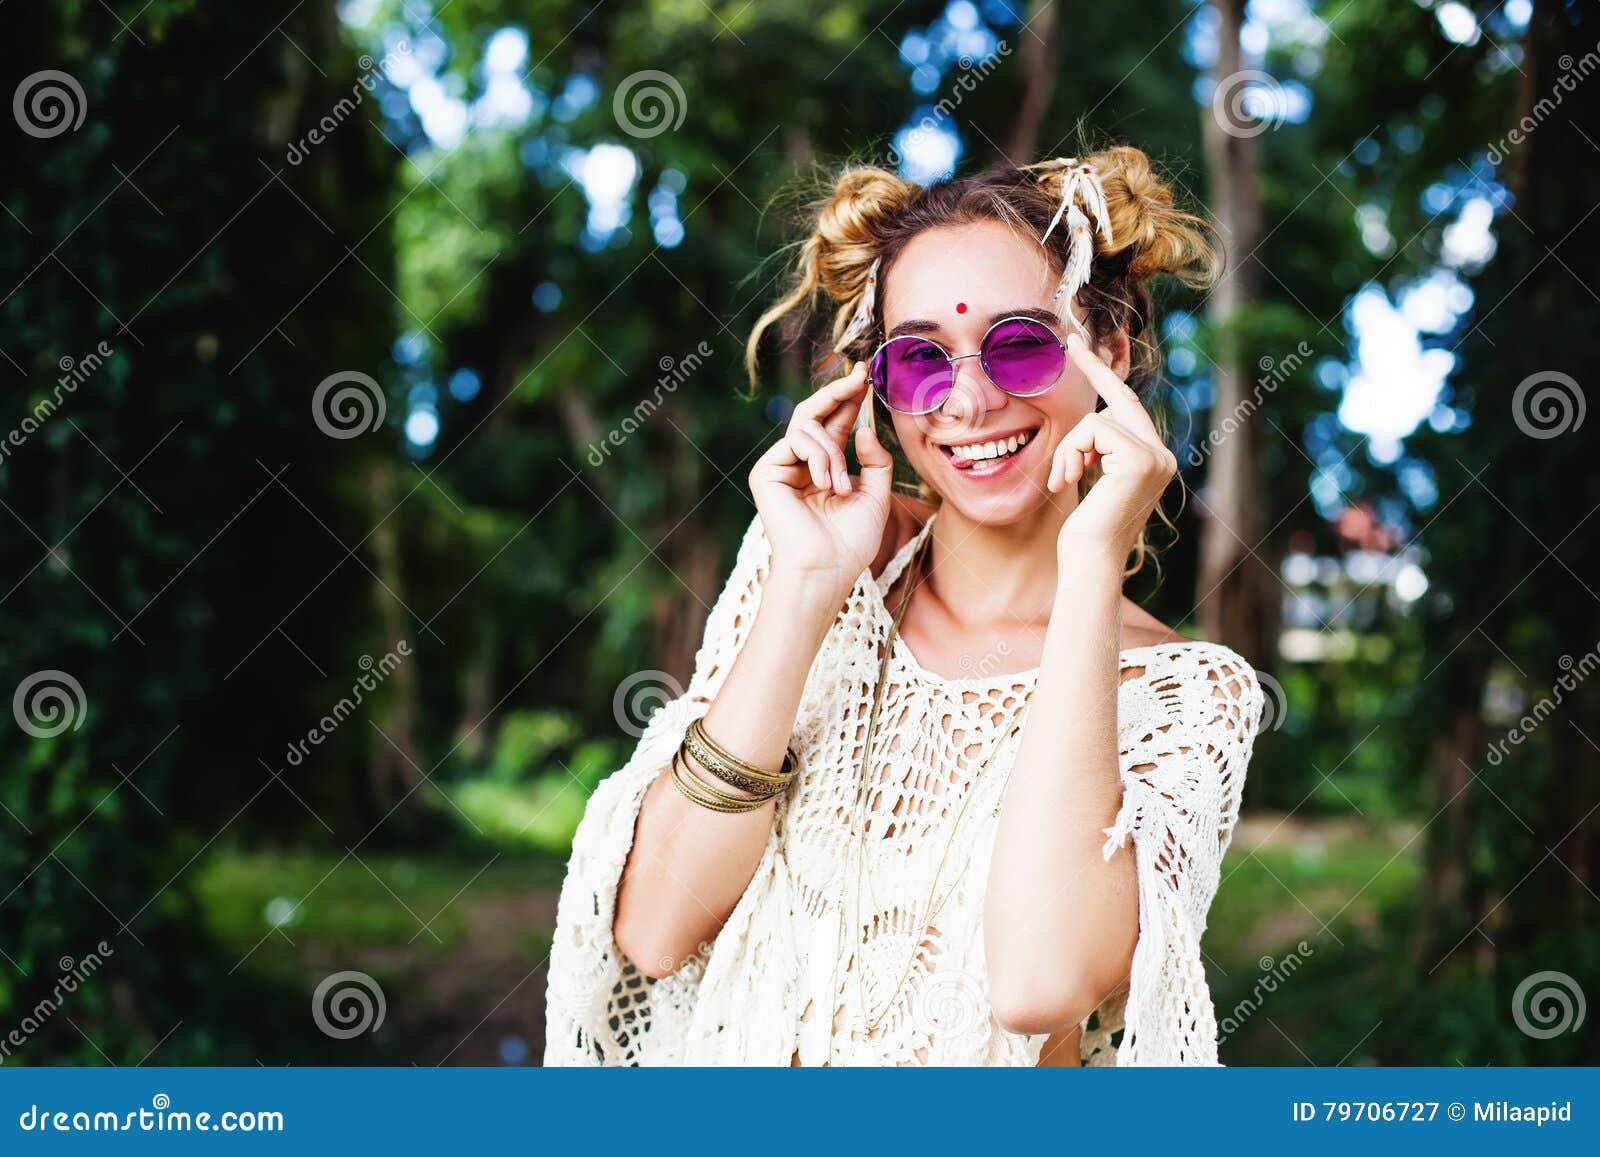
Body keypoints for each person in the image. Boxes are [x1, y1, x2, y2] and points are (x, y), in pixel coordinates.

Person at [544, 145, 1265, 1066]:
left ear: (1111, 353)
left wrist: (1094, 561)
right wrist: (806, 589)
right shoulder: (816, 580)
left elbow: (1040, 983)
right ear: (873, 384)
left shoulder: (1189, 695)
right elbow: (654, 928)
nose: (968, 400)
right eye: (921, 359)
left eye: (1021, 344)